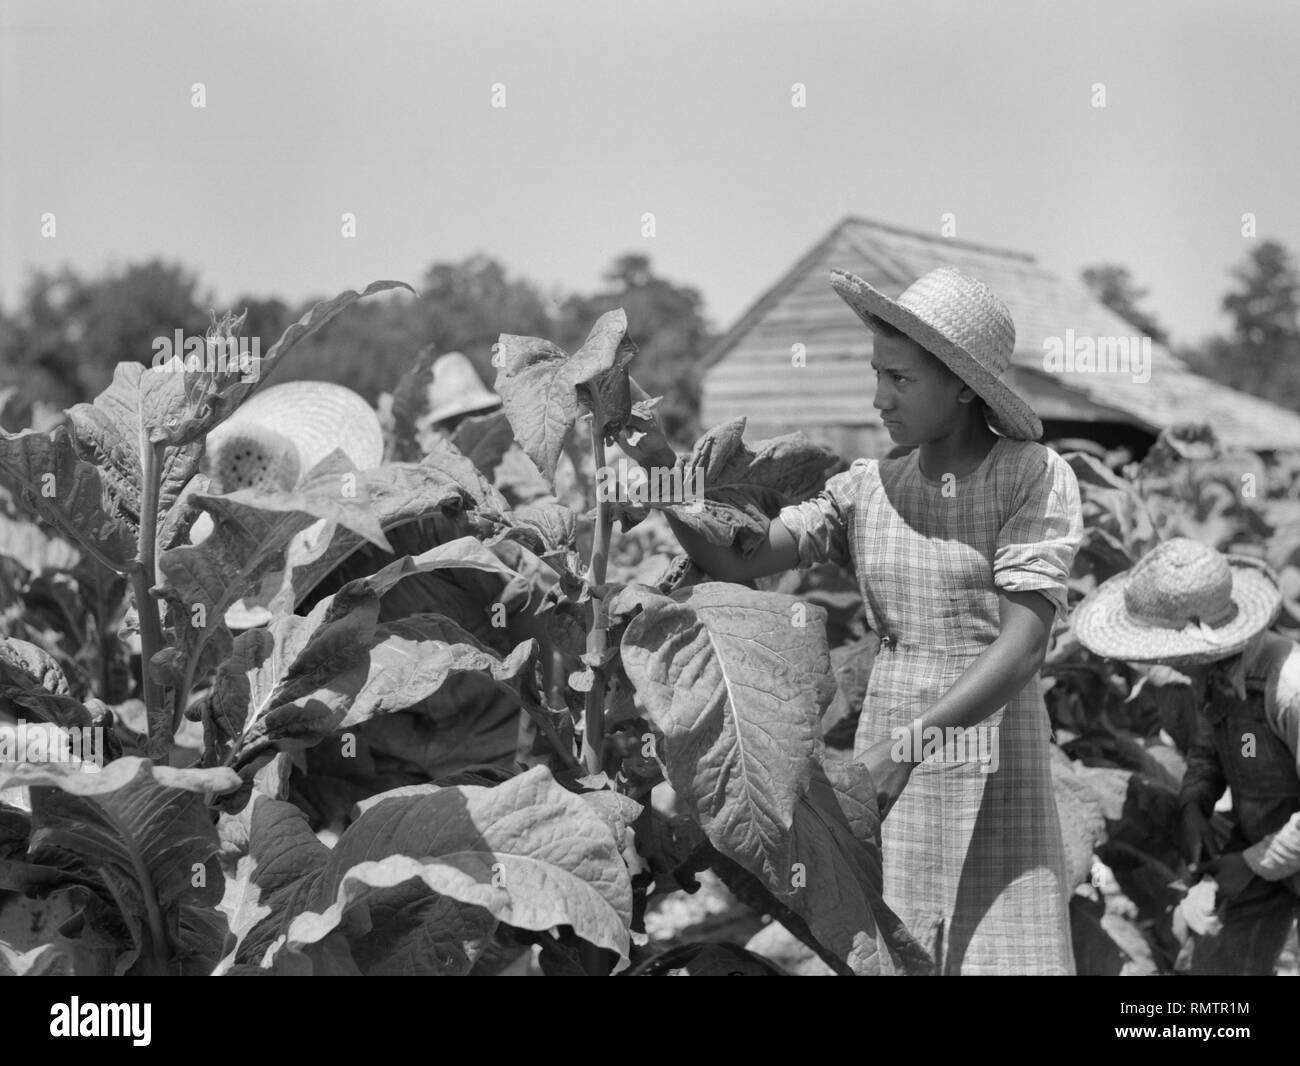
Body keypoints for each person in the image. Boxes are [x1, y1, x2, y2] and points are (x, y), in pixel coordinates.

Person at [620, 266, 1084, 974]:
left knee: (1000, 949)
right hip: (887, 747)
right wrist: (657, 462)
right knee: (897, 946)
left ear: (963, 384)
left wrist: (906, 749)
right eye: (877, 374)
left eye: (900, 380)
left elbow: (1022, 648)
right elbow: (738, 559)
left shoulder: (1031, 475)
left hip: (987, 749)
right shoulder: (869, 487)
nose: (879, 398)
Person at [1072, 537, 1300, 974]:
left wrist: (1250, 865)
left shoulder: (1287, 688)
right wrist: (1195, 803)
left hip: (1268, 852)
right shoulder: (1210, 674)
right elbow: (1208, 751)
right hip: (1259, 845)